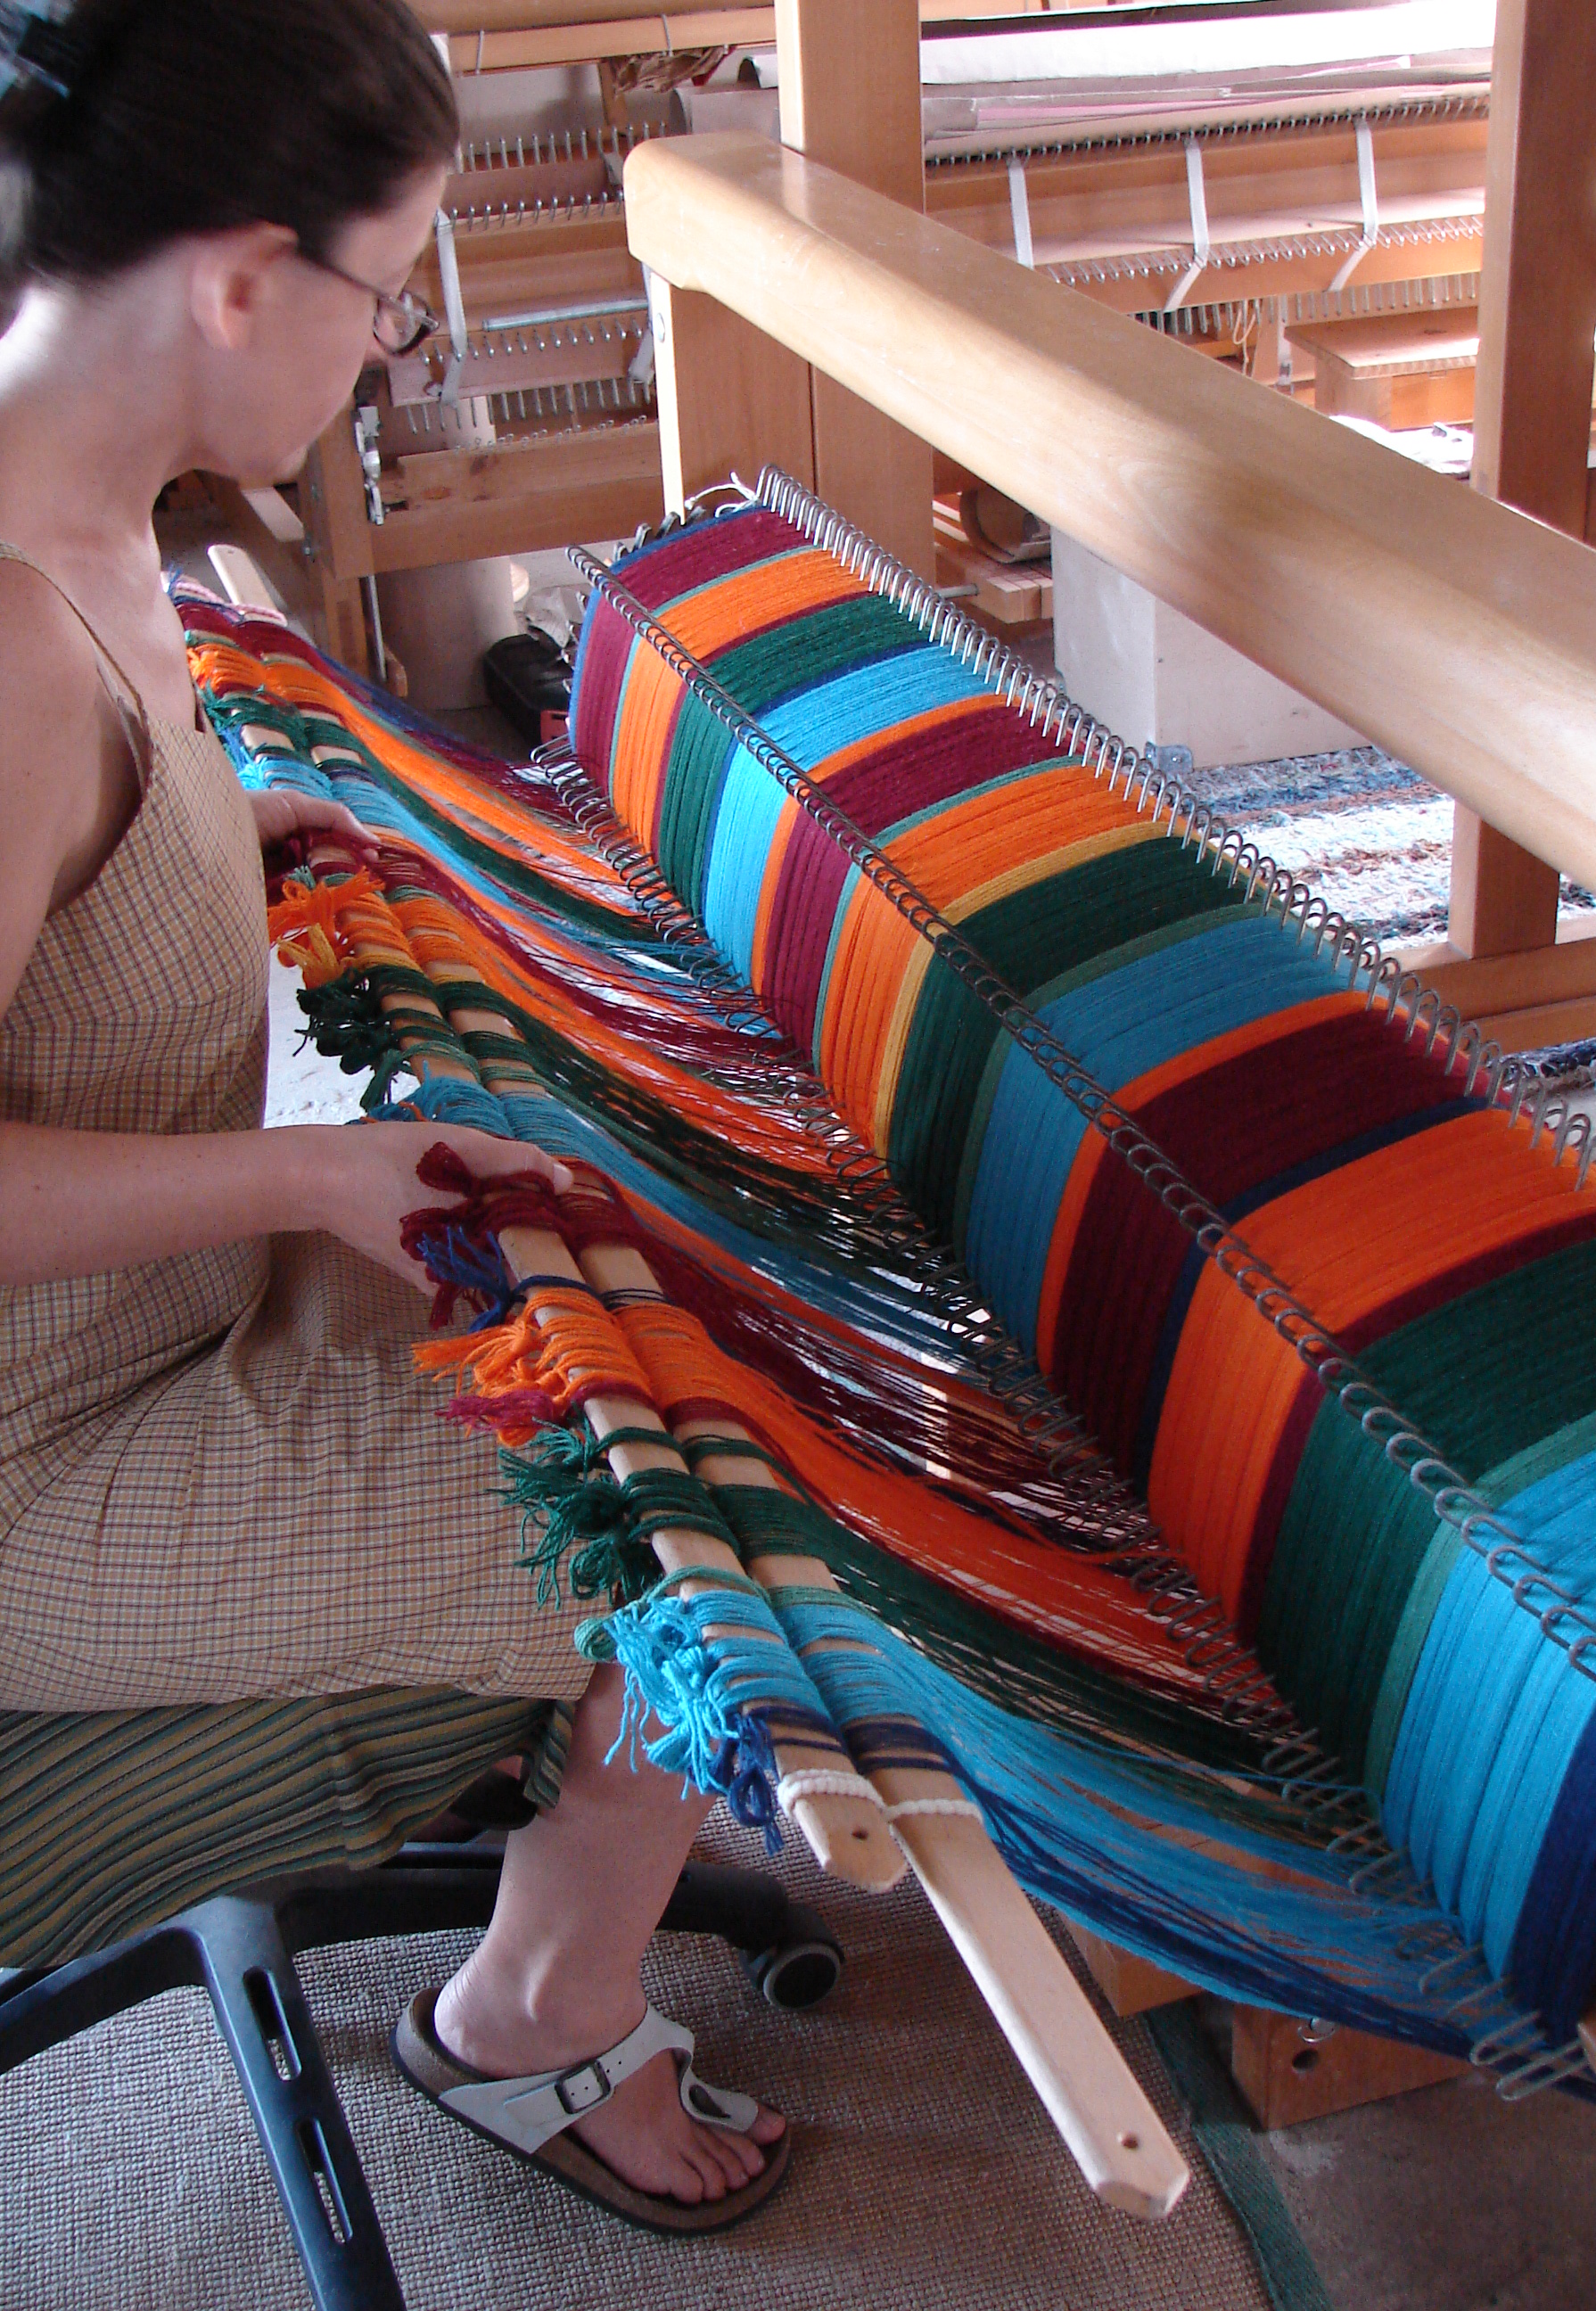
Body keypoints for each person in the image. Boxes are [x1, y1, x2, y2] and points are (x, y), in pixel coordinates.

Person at [0, 0, 786, 2230]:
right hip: (28, 1478)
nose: (393, 357)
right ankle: (531, 2017)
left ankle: (552, 1899)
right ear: (242, 278)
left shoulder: (102, 534)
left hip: (163, 1320)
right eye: (385, 295)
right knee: (724, 1516)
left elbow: (108, 892)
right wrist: (316, 1170)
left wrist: (452, 864)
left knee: (678, 1290)